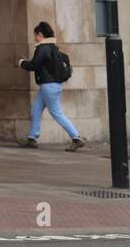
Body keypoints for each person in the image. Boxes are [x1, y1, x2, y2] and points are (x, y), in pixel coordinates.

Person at [18, 21, 85, 150]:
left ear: (40, 34)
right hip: (50, 86)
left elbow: (34, 65)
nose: (34, 38)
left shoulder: (42, 48)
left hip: (48, 86)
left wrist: (22, 63)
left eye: (35, 35)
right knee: (36, 110)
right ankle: (32, 138)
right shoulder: (52, 47)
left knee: (57, 114)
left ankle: (76, 137)